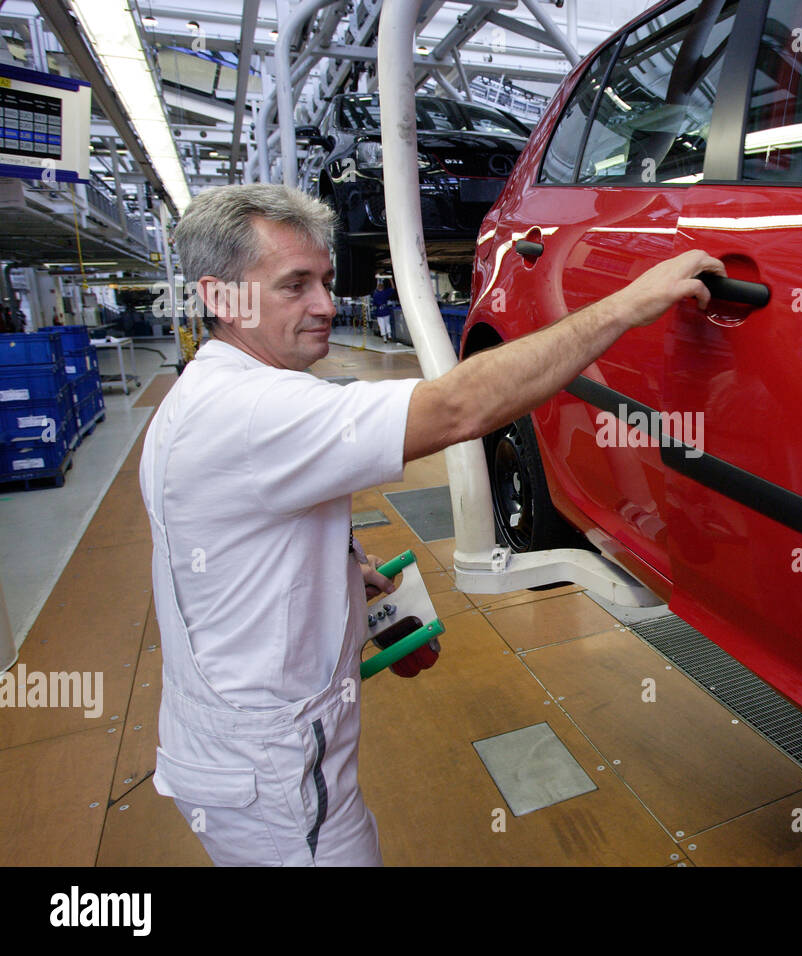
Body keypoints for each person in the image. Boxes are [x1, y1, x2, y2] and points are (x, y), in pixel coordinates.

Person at [138, 183, 723, 866]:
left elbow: (244, 549)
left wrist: (347, 597)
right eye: (294, 286)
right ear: (220, 297)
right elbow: (456, 409)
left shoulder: (212, 393)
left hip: (247, 755)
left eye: (326, 281)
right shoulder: (246, 410)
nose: (325, 306)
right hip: (274, 777)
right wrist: (626, 306)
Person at [371, 278, 396, 343]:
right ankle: (389, 335)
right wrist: (391, 279)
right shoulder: (385, 292)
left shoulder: (375, 294)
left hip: (379, 312)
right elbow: (393, 288)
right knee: (387, 323)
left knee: (381, 325)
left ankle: (384, 338)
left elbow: (374, 304)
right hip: (386, 310)